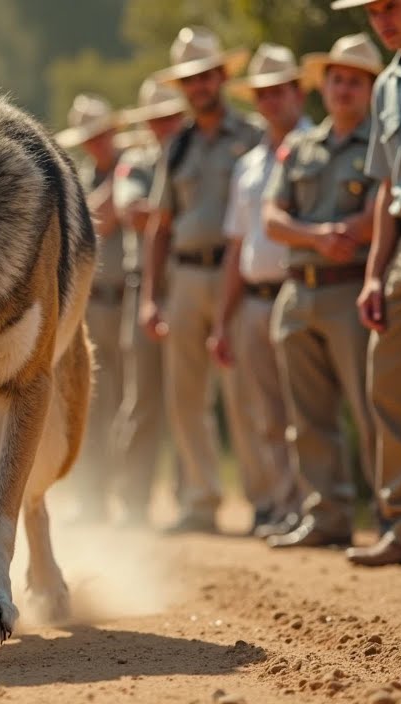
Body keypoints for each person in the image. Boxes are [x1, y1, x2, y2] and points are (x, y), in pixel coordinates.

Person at [258, 33, 383, 550]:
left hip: (352, 289)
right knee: (306, 418)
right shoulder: (301, 147)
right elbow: (270, 216)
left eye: (354, 81)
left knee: (373, 409)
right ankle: (326, 515)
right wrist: (320, 236)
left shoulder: (381, 141)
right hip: (298, 293)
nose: (343, 89)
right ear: (323, 87)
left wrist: (346, 233)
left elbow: (384, 209)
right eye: (336, 79)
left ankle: (393, 517)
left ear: (372, 89)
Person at [140, 27, 262, 534]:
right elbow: (159, 225)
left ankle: (266, 503)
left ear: (221, 78)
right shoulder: (178, 146)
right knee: (185, 395)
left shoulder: (253, 136)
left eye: (205, 76)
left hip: (241, 277)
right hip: (186, 276)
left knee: (247, 392)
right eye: (189, 80)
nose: (198, 86)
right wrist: (150, 298)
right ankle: (200, 500)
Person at [211, 44, 312, 537]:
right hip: (252, 301)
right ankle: (282, 504)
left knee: (307, 410)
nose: (271, 101)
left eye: (279, 91)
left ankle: (316, 504)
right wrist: (222, 321)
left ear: (298, 92)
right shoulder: (248, 164)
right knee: (267, 415)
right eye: (263, 94)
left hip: (304, 292)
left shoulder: (320, 146)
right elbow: (236, 247)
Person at [341, 0, 401, 565]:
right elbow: (386, 186)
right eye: (372, 12)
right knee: (390, 385)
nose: (382, 20)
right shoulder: (387, 85)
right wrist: (374, 275)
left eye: (391, 7)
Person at [111, 76, 189, 526]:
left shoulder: (188, 154)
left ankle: (188, 499)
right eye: (158, 119)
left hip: (187, 281)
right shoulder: (136, 161)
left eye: (171, 117)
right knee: (140, 402)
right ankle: (135, 501)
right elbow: (132, 209)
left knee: (186, 400)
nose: (165, 125)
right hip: (143, 286)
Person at [55, 94, 127, 524]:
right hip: (89, 303)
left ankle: (123, 496)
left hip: (124, 297)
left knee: (126, 405)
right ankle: (91, 496)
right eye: (90, 138)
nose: (96, 144)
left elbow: (101, 218)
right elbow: (99, 217)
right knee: (88, 404)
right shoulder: (84, 177)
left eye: (101, 135)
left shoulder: (126, 171)